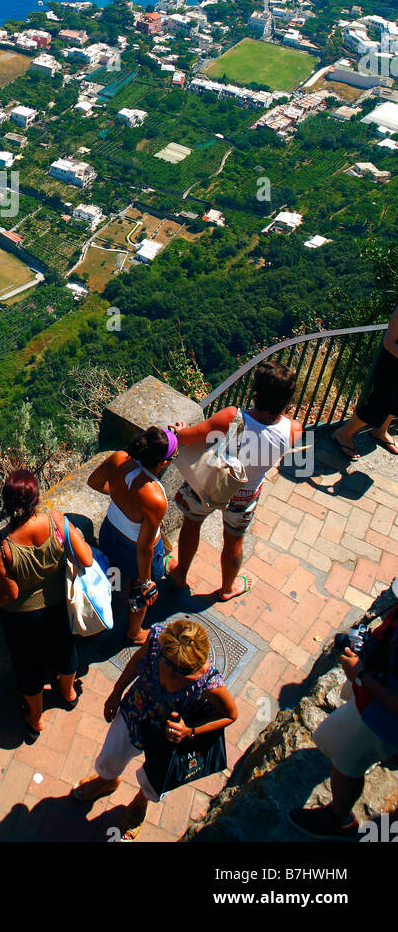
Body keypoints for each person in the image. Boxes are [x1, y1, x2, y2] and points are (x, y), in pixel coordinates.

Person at [72, 617, 237, 839]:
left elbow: (230, 714)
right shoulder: (156, 639)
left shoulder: (209, 682)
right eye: (169, 663)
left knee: (155, 781)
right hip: (134, 712)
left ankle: (139, 805)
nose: (174, 674)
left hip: (168, 738)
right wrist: (116, 692)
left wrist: (190, 731)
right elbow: (137, 660)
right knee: (110, 756)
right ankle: (106, 780)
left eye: (184, 670)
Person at [167, 360, 303, 602]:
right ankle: (227, 588)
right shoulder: (294, 429)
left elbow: (186, 438)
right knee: (234, 540)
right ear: (286, 400)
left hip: (208, 484)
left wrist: (180, 429)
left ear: (257, 392)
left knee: (191, 524)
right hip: (245, 493)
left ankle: (180, 575)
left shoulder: (233, 417)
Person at [0, 469, 93, 743]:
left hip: (22, 619)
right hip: (58, 605)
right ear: (37, 498)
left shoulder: (0, 544)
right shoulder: (55, 520)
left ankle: (36, 718)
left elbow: (8, 594)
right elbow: (86, 559)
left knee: (28, 667)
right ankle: (68, 694)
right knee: (65, 649)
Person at [289, 600, 398, 840]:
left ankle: (338, 819)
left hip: (381, 718)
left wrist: (361, 676)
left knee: (346, 762)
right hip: (377, 687)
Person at [86, 426, 176, 644]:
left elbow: (94, 482)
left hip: (110, 534)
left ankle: (111, 604)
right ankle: (134, 632)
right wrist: (146, 583)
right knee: (138, 591)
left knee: (113, 574)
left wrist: (120, 495)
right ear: (163, 462)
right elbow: (144, 547)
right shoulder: (155, 498)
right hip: (135, 551)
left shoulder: (118, 459)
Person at [333, 306, 398, 460]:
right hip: (392, 365)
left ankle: (381, 431)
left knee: (397, 404)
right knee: (378, 405)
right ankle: (343, 433)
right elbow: (389, 343)